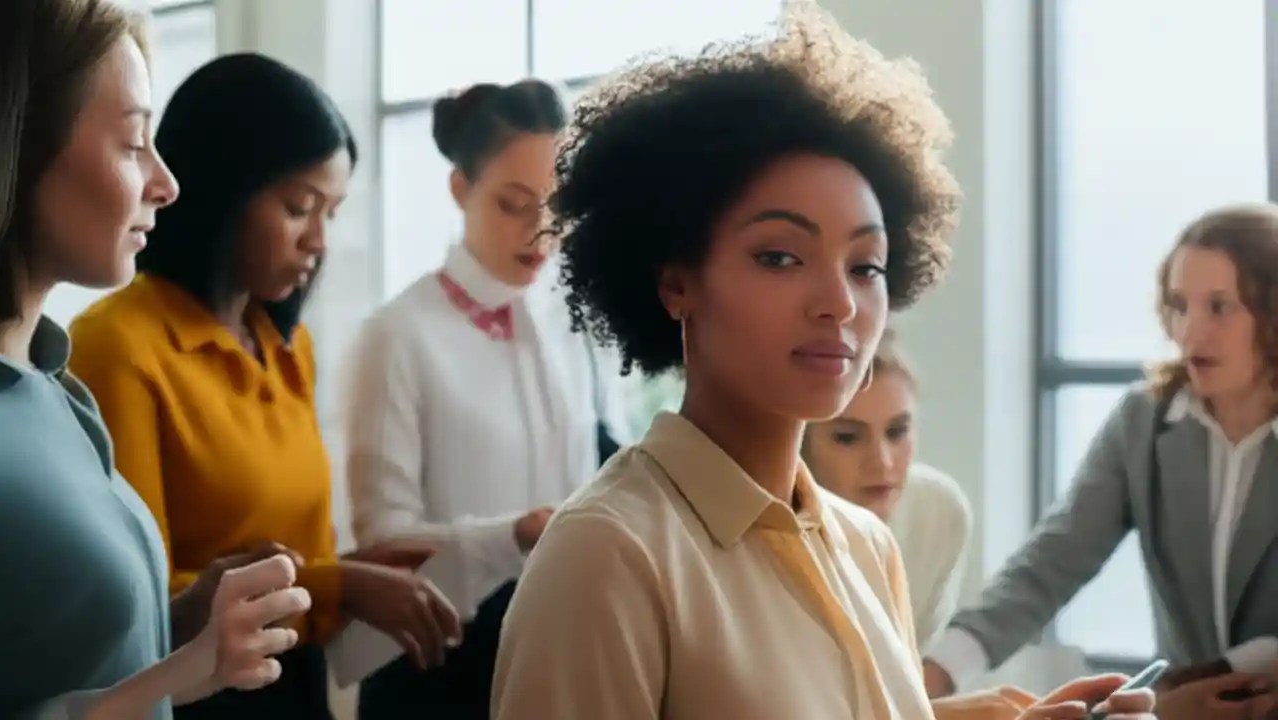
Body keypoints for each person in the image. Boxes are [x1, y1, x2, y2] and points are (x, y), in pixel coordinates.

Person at [490, 3, 1155, 719]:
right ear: (676, 280)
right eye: (780, 256)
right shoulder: (608, 555)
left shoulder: (868, 546)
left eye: (866, 266)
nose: (838, 302)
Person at [66, 53, 460, 719]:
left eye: (331, 213)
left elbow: (290, 551)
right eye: (299, 207)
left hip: (295, 688)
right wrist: (335, 584)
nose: (319, 241)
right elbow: (141, 605)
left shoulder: (284, 348)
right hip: (198, 697)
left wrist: (352, 572)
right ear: (225, 189)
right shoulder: (120, 345)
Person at [0, 2, 311, 718]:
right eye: (134, 142)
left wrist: (175, 624)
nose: (165, 183)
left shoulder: (55, 388)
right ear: (19, 142)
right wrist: (180, 675)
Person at [344, 79, 633, 719]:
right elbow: (384, 544)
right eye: (513, 204)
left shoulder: (570, 328)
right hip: (435, 667)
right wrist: (513, 536)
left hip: (557, 653)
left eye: (557, 208)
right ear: (459, 189)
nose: (540, 232)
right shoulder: (399, 335)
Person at [923, 203, 1278, 720]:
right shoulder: (1144, 421)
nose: (1190, 333)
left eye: (1220, 307)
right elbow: (1052, 561)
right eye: (1179, 305)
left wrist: (1239, 669)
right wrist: (928, 677)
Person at [804, 327, 972, 652]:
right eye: (848, 438)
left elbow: (909, 678)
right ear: (801, 441)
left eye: (897, 432)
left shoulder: (938, 511)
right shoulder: (766, 533)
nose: (881, 463)